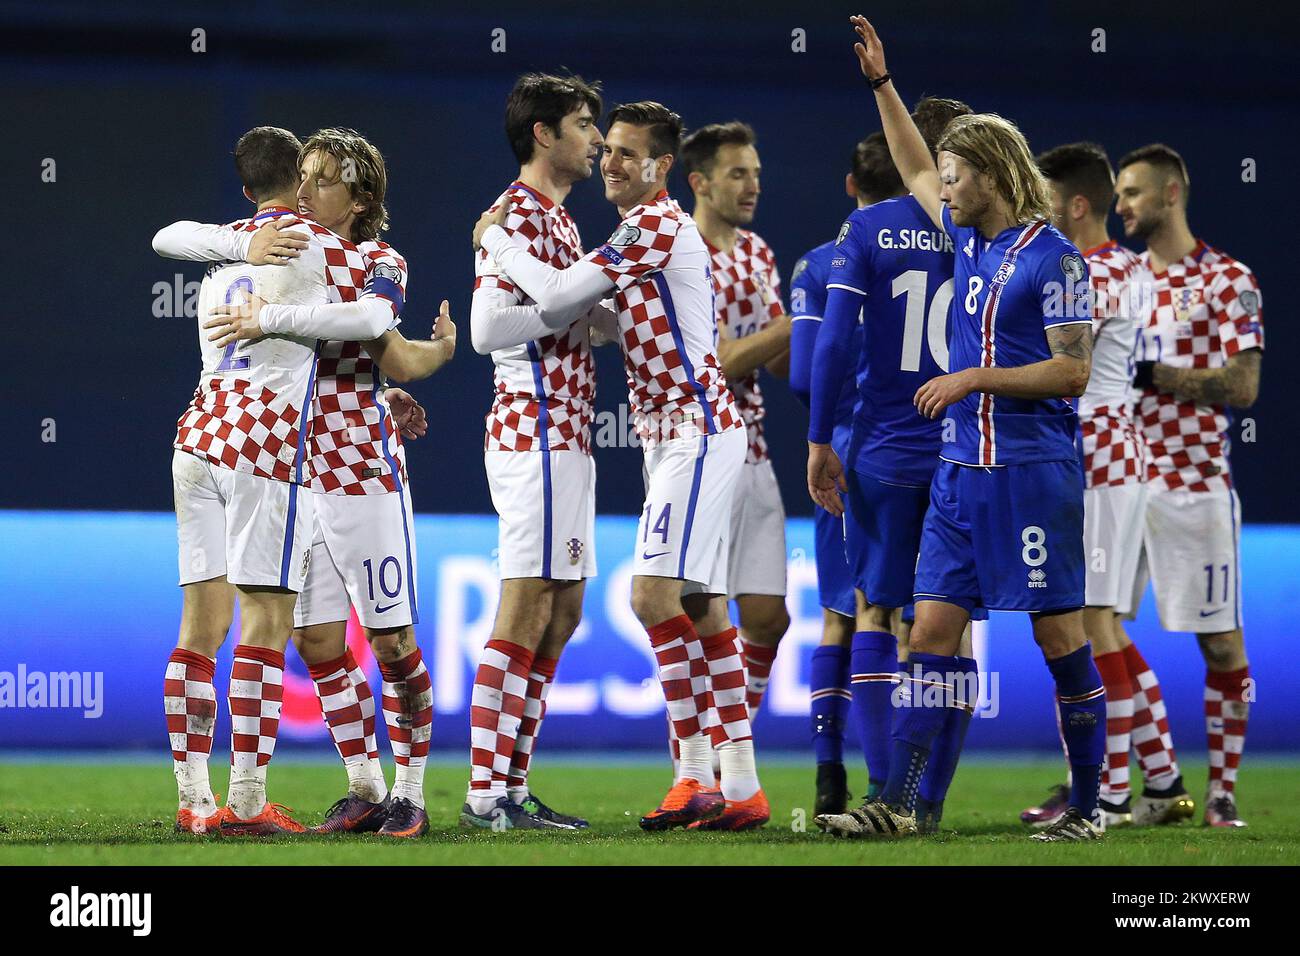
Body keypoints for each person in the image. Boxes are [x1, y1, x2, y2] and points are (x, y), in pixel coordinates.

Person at [815, 16, 1105, 843]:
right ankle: (902, 803)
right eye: (939, 178)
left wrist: (975, 376)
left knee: (1058, 640)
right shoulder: (965, 237)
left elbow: (1073, 371)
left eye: (952, 178)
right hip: (956, 476)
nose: (938, 189)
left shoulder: (1058, 261)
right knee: (933, 635)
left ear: (992, 175)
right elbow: (910, 158)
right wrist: (881, 84)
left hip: (1030, 471)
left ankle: (1087, 806)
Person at [473, 102, 767, 830]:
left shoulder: (656, 225)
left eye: (627, 154)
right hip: (676, 437)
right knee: (700, 606)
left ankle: (695, 776)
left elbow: (565, 295)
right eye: (607, 151)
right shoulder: (637, 235)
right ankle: (741, 787)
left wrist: (497, 244)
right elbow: (598, 319)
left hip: (694, 429)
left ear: (663, 168)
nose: (610, 162)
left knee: (649, 596)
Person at [156, 127, 430, 835]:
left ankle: (194, 802)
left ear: (246, 190)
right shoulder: (332, 252)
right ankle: (246, 804)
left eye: (325, 178)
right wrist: (420, 361)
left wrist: (383, 390)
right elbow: (376, 323)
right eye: (305, 177)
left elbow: (166, 235)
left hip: (197, 437)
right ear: (290, 182)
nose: (310, 191)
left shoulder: (225, 254)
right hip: (268, 449)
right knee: (269, 624)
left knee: (199, 628)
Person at [806, 102, 976, 832]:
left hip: (884, 450)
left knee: (873, 610)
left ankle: (884, 795)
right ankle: (927, 801)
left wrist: (820, 442)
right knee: (950, 628)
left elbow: (834, 346)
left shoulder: (868, 229)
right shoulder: (985, 236)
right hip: (967, 451)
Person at [1019, 142, 1191, 830]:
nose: (1039, 211)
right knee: (1107, 626)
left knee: (1092, 624)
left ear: (1074, 205)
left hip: (1103, 459)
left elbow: (1060, 357)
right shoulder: (1107, 267)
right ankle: (1162, 781)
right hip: (1093, 455)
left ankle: (1110, 795)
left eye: (1046, 200)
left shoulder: (1104, 271)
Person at [460, 72, 607, 831]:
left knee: (564, 610)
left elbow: (564, 309)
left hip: (569, 435)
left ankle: (513, 788)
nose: (598, 138)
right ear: (543, 133)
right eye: (584, 123)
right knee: (526, 605)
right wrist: (569, 302)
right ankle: (487, 793)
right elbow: (488, 331)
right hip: (533, 429)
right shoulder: (515, 214)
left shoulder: (559, 221)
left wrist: (595, 310)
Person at [1116, 143, 1263, 828]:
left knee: (1221, 644)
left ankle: (1221, 791)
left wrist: (1158, 377)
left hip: (1196, 484)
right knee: (1096, 626)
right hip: (1121, 482)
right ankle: (1150, 778)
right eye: (1117, 194)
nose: (1123, 206)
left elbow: (1242, 387)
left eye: (1134, 194)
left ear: (1172, 194)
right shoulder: (1119, 282)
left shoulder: (1228, 280)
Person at [680, 121, 791, 720]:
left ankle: (731, 740)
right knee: (705, 615)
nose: (752, 186)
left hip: (756, 448)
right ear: (699, 181)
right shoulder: (683, 254)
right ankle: (700, 761)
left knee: (770, 616)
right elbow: (716, 363)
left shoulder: (757, 252)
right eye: (737, 174)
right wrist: (794, 323)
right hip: (701, 452)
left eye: (755, 173)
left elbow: (776, 363)